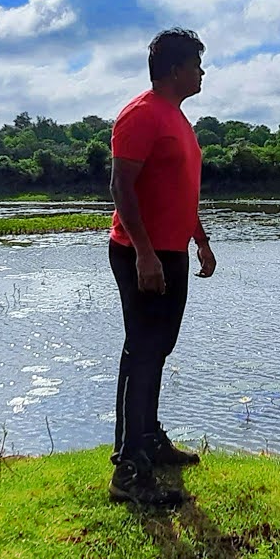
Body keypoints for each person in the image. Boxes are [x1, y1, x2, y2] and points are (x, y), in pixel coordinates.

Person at [106, 27, 217, 506]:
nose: (202, 72)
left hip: (169, 251)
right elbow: (122, 189)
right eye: (196, 64)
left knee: (157, 349)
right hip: (141, 252)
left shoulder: (178, 119)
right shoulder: (142, 115)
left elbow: (177, 192)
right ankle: (129, 469)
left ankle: (149, 440)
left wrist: (201, 241)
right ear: (176, 70)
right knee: (144, 351)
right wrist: (145, 253)